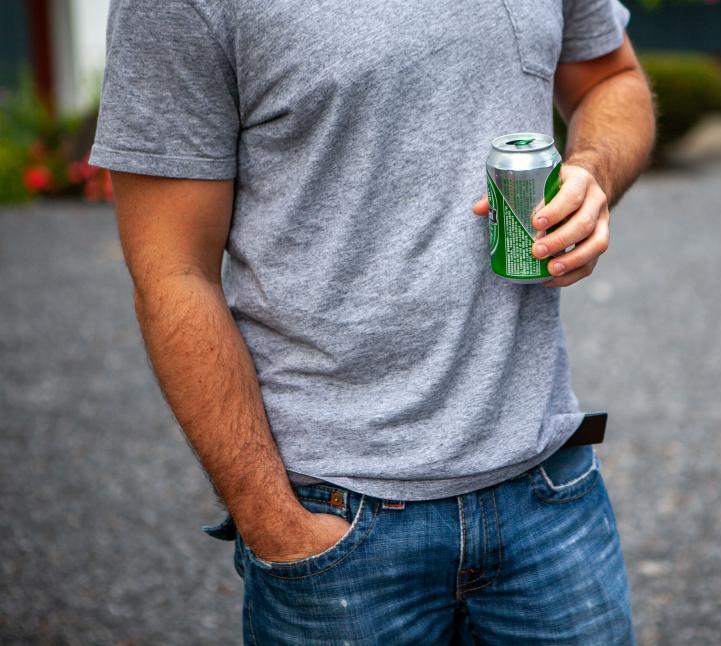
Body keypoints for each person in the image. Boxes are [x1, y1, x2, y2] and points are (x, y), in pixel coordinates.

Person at [91, 0, 654, 642]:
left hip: (549, 489)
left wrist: (591, 172)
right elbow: (173, 272)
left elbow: (613, 80)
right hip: (333, 521)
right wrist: (274, 523)